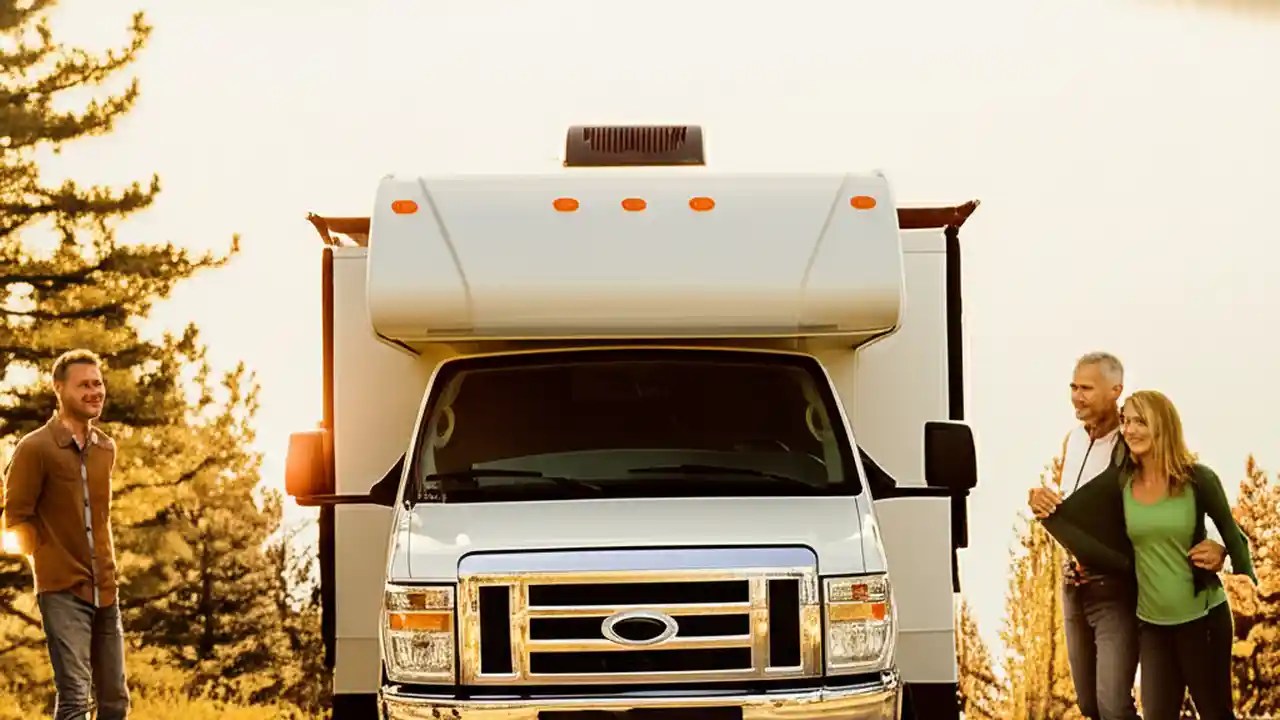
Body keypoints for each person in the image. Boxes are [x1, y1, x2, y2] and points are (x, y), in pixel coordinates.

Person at [1028, 352, 1225, 720]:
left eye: (1086, 388)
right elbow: (1076, 511)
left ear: (1115, 390)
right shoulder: (1072, 440)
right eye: (1073, 386)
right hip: (1073, 585)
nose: (1076, 396)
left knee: (1114, 706)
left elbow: (1182, 492)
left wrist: (1217, 542)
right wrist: (1039, 499)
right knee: (1090, 706)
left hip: (1114, 589)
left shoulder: (1132, 444)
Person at [1, 349, 130, 719]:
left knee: (115, 701)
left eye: (98, 383)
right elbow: (15, 519)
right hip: (61, 591)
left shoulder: (106, 448)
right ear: (59, 389)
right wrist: (49, 559)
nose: (95, 392)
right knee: (75, 698)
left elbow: (99, 518)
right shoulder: (35, 448)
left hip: (105, 589)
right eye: (84, 385)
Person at [1117, 389, 1256, 720]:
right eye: (1126, 421)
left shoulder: (1198, 479)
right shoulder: (1122, 482)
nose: (1130, 430)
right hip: (1151, 626)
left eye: (1140, 421)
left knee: (1215, 713)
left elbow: (1233, 534)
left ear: (1162, 427)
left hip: (1202, 619)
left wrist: (1240, 570)